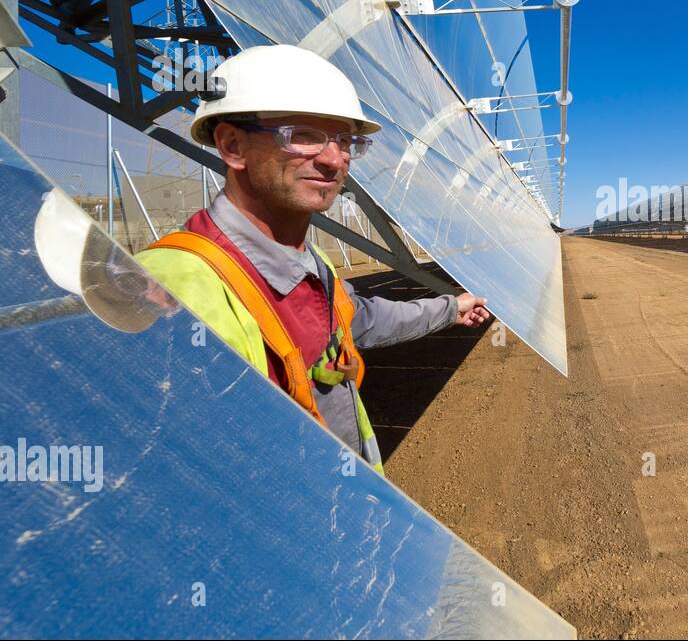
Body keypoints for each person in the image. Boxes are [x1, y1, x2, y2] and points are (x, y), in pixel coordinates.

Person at [137, 45, 489, 474]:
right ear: (232, 146)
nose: (333, 159)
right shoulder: (171, 285)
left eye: (345, 140)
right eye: (302, 134)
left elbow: (360, 319)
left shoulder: (309, 261)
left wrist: (451, 308)